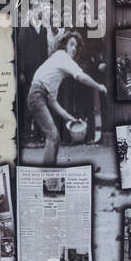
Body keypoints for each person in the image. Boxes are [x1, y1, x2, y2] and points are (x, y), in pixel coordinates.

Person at [25, 31, 108, 165]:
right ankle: (48, 173)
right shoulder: (62, 56)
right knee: (53, 136)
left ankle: (51, 167)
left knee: (54, 137)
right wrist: (98, 86)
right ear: (65, 45)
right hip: (36, 95)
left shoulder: (56, 73)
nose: (74, 49)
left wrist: (71, 119)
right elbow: (80, 76)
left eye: (76, 47)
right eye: (71, 44)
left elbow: (53, 102)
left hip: (37, 95)